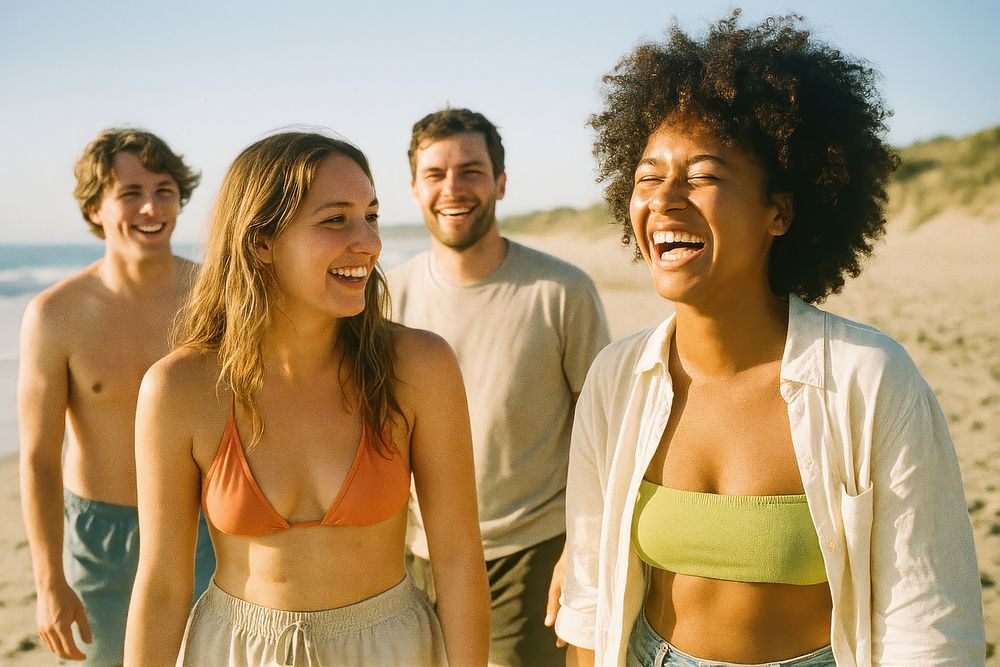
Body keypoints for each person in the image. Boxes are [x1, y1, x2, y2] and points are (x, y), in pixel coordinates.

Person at [556, 12, 986, 667]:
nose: (665, 198)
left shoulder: (869, 379)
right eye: (648, 176)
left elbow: (928, 624)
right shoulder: (616, 379)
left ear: (778, 210)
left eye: (701, 174)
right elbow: (590, 594)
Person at [122, 131, 489, 666]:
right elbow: (161, 584)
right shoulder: (180, 388)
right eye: (335, 220)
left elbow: (457, 560)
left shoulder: (419, 366)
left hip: (391, 649)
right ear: (261, 242)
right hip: (237, 651)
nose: (367, 242)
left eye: (371, 216)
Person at [389, 107, 611, 665]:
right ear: (414, 189)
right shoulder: (387, 298)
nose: (453, 188)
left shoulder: (561, 292)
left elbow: (606, 436)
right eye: (435, 174)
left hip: (528, 553)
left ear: (501, 183)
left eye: (471, 170)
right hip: (415, 555)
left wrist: (579, 552)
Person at [18, 128, 216, 665]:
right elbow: (38, 458)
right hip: (102, 538)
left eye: (165, 189)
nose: (151, 206)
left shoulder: (214, 301)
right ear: (95, 208)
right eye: (130, 193)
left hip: (205, 527)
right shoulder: (56, 314)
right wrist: (49, 581)